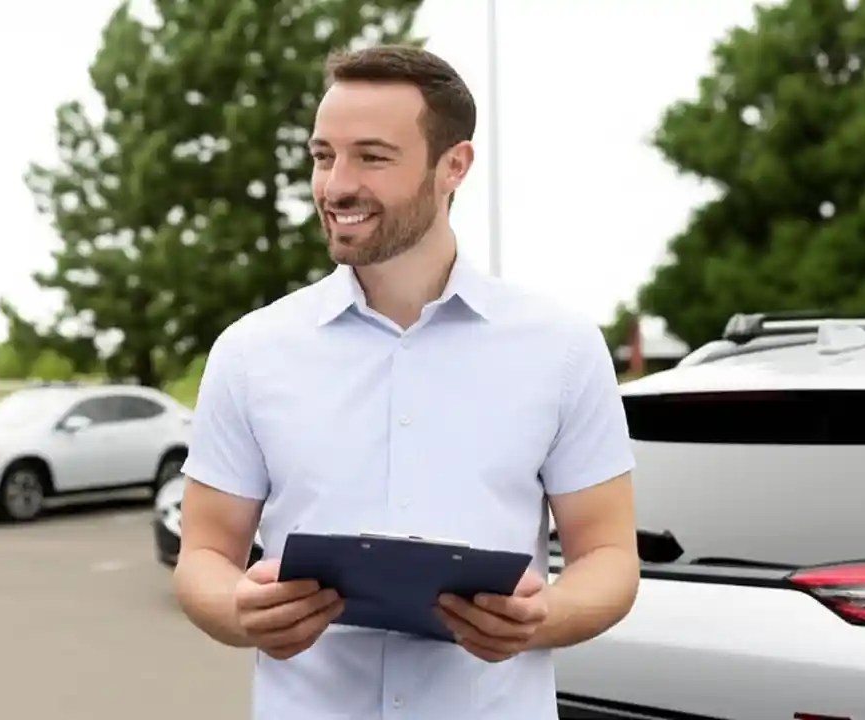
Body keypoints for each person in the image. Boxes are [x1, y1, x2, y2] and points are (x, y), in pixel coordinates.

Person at [171, 44, 639, 719]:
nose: (334, 186)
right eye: (322, 155)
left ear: (455, 165)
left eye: (372, 156)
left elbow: (609, 557)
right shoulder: (252, 352)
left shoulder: (560, 349)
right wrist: (238, 610)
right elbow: (204, 555)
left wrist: (544, 616)